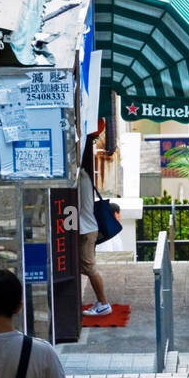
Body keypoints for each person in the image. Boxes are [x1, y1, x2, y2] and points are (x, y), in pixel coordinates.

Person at [78, 121, 111, 317]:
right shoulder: (84, 177)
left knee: (90, 268)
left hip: (85, 229)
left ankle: (103, 303)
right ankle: (101, 302)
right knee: (87, 266)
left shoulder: (80, 178)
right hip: (87, 227)